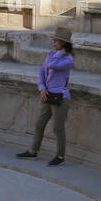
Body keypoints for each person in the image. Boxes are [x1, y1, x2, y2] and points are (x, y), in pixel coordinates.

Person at [16, 26, 75, 166]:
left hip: (60, 97)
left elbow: (53, 66)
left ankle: (60, 156)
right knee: (39, 123)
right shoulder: (51, 54)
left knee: (57, 128)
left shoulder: (67, 59)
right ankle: (33, 151)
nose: (53, 43)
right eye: (54, 40)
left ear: (63, 43)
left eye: (56, 41)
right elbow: (42, 72)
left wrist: (61, 53)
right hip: (47, 95)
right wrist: (42, 88)